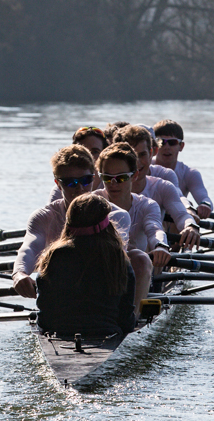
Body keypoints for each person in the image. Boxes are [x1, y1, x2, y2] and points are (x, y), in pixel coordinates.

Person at [13, 145, 131, 301]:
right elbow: (29, 247)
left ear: (94, 178)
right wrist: (19, 273)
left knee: (138, 258)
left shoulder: (116, 215)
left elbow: (110, 265)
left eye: (85, 180)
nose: (80, 188)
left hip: (102, 293)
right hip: (62, 293)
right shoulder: (43, 217)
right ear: (57, 183)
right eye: (70, 182)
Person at [34, 193, 137, 337]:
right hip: (108, 333)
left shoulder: (53, 257)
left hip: (61, 333)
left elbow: (45, 319)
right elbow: (126, 322)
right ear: (107, 224)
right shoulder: (118, 259)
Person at [94, 143, 169, 314]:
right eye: (107, 178)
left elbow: (154, 228)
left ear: (134, 176)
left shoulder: (147, 205)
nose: (113, 184)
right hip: (99, 272)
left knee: (139, 258)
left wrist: (161, 246)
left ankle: (132, 319)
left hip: (134, 274)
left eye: (120, 178)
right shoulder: (92, 202)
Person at [111, 125, 201, 249]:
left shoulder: (163, 186)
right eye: (132, 156)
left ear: (152, 153)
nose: (137, 162)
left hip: (153, 257)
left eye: (142, 155)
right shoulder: (104, 187)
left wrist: (190, 226)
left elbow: (181, 215)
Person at [152, 119, 214, 219]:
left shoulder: (190, 174)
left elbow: (204, 198)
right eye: (161, 142)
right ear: (154, 146)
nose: (167, 147)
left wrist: (205, 205)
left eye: (172, 142)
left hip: (174, 221)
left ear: (181, 146)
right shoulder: (144, 168)